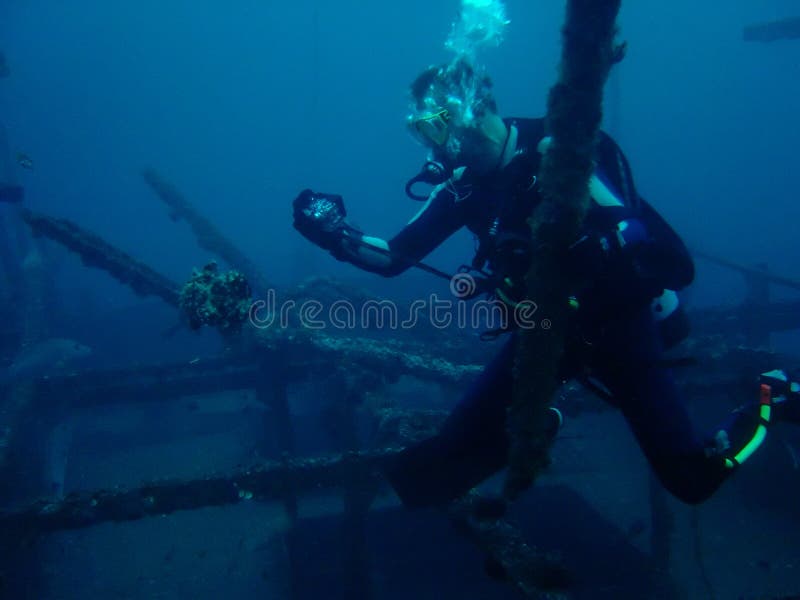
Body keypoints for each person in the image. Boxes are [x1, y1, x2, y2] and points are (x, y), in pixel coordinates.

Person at [292, 57, 800, 509]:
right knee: (434, 467)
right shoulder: (462, 188)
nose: (443, 145)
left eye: (445, 126)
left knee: (691, 479)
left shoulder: (560, 148)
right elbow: (394, 258)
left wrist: (593, 249)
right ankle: (531, 428)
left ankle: (768, 400)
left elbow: (633, 226)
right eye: (425, 132)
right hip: (544, 333)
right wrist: (337, 235)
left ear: (479, 107)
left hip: (618, 324)